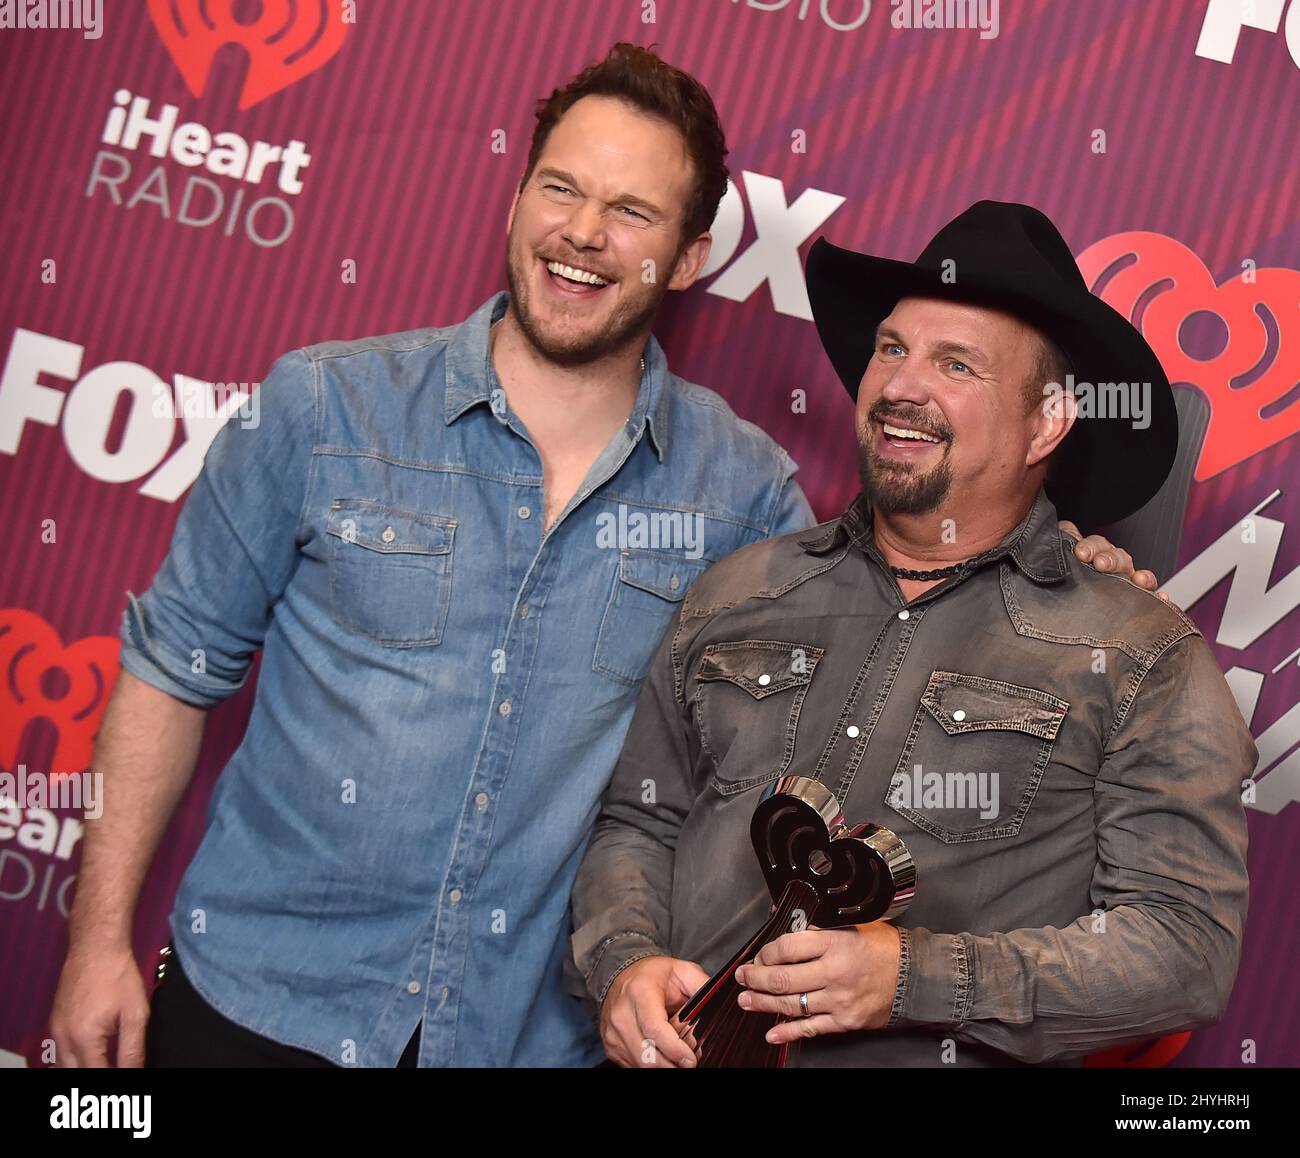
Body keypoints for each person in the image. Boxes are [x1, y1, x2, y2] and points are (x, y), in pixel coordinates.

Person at [50, 45, 1148, 1068]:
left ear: (690, 255)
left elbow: (899, 619)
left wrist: (1059, 569)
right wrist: (98, 941)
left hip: (528, 1037)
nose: (584, 233)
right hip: (257, 1003)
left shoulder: (745, 493)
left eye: (632, 212)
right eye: (561, 189)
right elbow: (171, 669)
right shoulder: (321, 406)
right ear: (518, 196)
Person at [573, 200, 1253, 1069]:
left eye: (956, 364)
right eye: (891, 348)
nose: (901, 384)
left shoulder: (1138, 655)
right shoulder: (741, 590)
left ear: (1045, 422)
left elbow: (1184, 950)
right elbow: (639, 821)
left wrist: (916, 978)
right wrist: (622, 961)